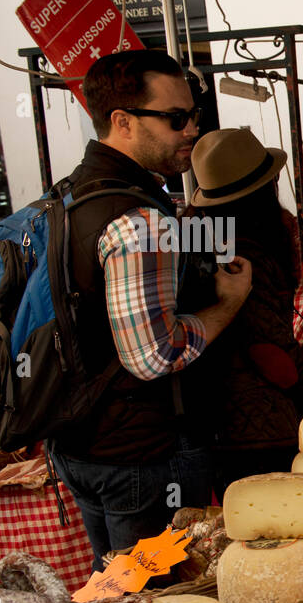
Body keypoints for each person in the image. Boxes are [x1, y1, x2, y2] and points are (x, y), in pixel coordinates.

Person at [47, 50, 252, 570]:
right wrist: (226, 305)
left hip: (80, 442)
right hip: (144, 454)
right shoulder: (137, 219)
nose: (192, 131)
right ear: (122, 122)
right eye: (176, 118)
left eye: (195, 116)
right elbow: (154, 355)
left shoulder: (68, 196)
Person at [184, 128, 303, 493]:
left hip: (208, 420)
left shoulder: (198, 235)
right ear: (265, 190)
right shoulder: (245, 255)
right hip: (257, 432)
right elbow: (269, 350)